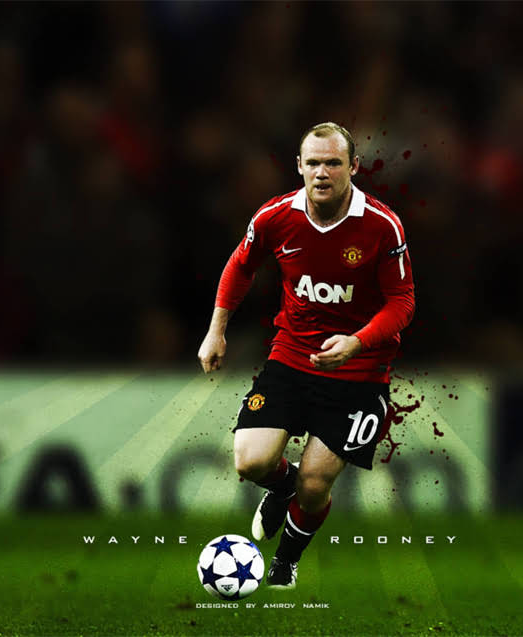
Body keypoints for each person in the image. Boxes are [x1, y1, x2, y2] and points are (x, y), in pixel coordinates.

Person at [197, 122, 415, 589]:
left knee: (315, 483)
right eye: (313, 163)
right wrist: (216, 331)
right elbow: (240, 266)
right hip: (292, 357)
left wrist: (357, 341)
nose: (322, 172)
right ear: (298, 166)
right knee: (250, 462)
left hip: (360, 371)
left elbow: (402, 301)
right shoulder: (275, 216)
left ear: (353, 167)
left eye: (333, 163)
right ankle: (282, 485)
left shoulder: (382, 225)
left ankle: (285, 563)